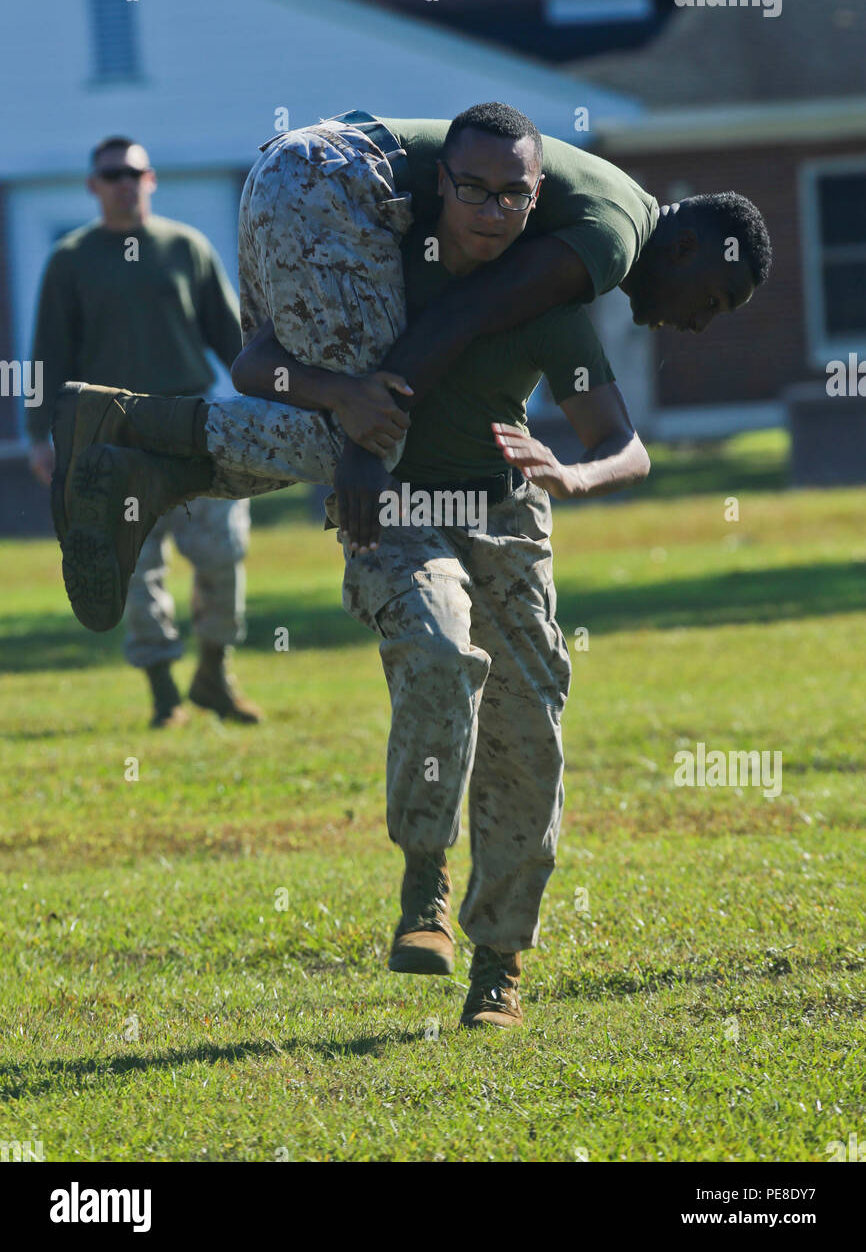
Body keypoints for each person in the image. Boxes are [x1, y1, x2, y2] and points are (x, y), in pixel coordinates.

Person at [48, 106, 772, 1025]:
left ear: (534, 202)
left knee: (530, 728)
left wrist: (575, 472)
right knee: (436, 647)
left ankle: (499, 964)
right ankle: (424, 889)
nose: (492, 214)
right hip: (395, 515)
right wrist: (349, 418)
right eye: (473, 193)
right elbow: (260, 364)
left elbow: (624, 441)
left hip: (504, 514)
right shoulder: (375, 284)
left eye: (513, 198)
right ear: (431, 192)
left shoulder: (548, 302)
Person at [28, 136, 262, 727]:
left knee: (222, 552)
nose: (124, 182)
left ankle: (214, 672)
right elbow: (47, 356)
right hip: (112, 433)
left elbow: (232, 339)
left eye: (134, 172)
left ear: (151, 179)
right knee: (131, 562)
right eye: (111, 174)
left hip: (192, 423)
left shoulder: (186, 247)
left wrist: (272, 403)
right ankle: (163, 694)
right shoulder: (71, 260)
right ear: (93, 186)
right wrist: (41, 436)